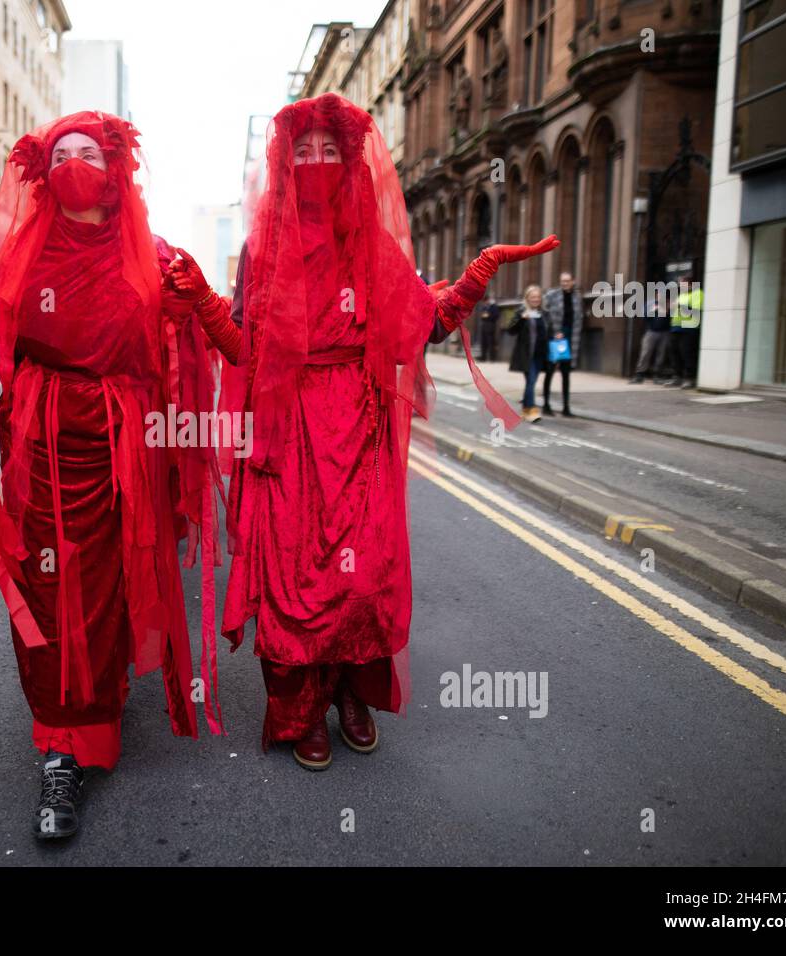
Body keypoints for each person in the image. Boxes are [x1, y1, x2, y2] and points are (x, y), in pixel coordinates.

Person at [0, 112, 223, 840]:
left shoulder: (153, 257)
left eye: (88, 153)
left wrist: (198, 297)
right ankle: (61, 749)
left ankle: (102, 702)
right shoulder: (25, 254)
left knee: (113, 585)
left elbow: (208, 341)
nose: (75, 164)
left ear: (115, 165)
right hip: (45, 445)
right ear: (40, 172)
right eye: (61, 155)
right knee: (51, 594)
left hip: (126, 446)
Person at [164, 93, 557, 770]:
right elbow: (244, 350)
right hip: (288, 434)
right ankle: (301, 709)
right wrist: (202, 296)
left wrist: (476, 276)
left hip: (360, 427)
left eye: (330, 151)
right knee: (296, 581)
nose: (317, 162)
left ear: (349, 161)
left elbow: (420, 325)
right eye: (304, 151)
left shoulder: (372, 242)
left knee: (362, 576)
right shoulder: (264, 247)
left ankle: (352, 692)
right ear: (287, 163)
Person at [506, 285, 549, 423]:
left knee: (531, 381)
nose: (535, 299)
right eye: (533, 297)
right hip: (526, 354)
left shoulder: (543, 313)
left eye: (538, 297)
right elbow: (511, 330)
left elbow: (549, 330)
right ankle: (532, 410)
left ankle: (525, 409)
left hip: (540, 354)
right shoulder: (521, 312)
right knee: (531, 381)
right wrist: (521, 319)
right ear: (527, 298)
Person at [541, 272, 582, 416]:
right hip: (555, 338)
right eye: (562, 281)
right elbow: (543, 312)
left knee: (566, 373)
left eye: (567, 281)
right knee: (550, 371)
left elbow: (578, 319)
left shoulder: (577, 297)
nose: (565, 283)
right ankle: (546, 404)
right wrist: (553, 331)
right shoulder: (552, 295)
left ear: (573, 281)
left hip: (570, 339)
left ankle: (566, 407)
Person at [666, 275, 703, 388]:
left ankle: (689, 378)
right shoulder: (681, 295)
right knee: (674, 353)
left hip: (689, 327)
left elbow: (696, 310)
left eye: (682, 284)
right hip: (676, 327)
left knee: (687, 353)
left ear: (690, 284)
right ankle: (676, 377)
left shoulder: (698, 294)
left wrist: (678, 306)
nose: (680, 286)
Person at [630, 294, 671, 384]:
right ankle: (639, 375)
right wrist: (654, 310)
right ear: (656, 295)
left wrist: (668, 310)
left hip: (665, 332)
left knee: (661, 354)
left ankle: (657, 375)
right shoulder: (650, 304)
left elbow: (672, 318)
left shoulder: (668, 304)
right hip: (651, 331)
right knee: (645, 353)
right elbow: (644, 316)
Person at [475, 293, 501, 362]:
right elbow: (482, 315)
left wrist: (488, 316)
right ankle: (483, 357)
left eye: (486, 301)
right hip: (484, 325)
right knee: (483, 342)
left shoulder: (494, 306)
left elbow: (496, 316)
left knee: (490, 342)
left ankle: (492, 358)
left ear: (489, 300)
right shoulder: (485, 307)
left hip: (491, 326)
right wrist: (484, 316)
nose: (485, 303)